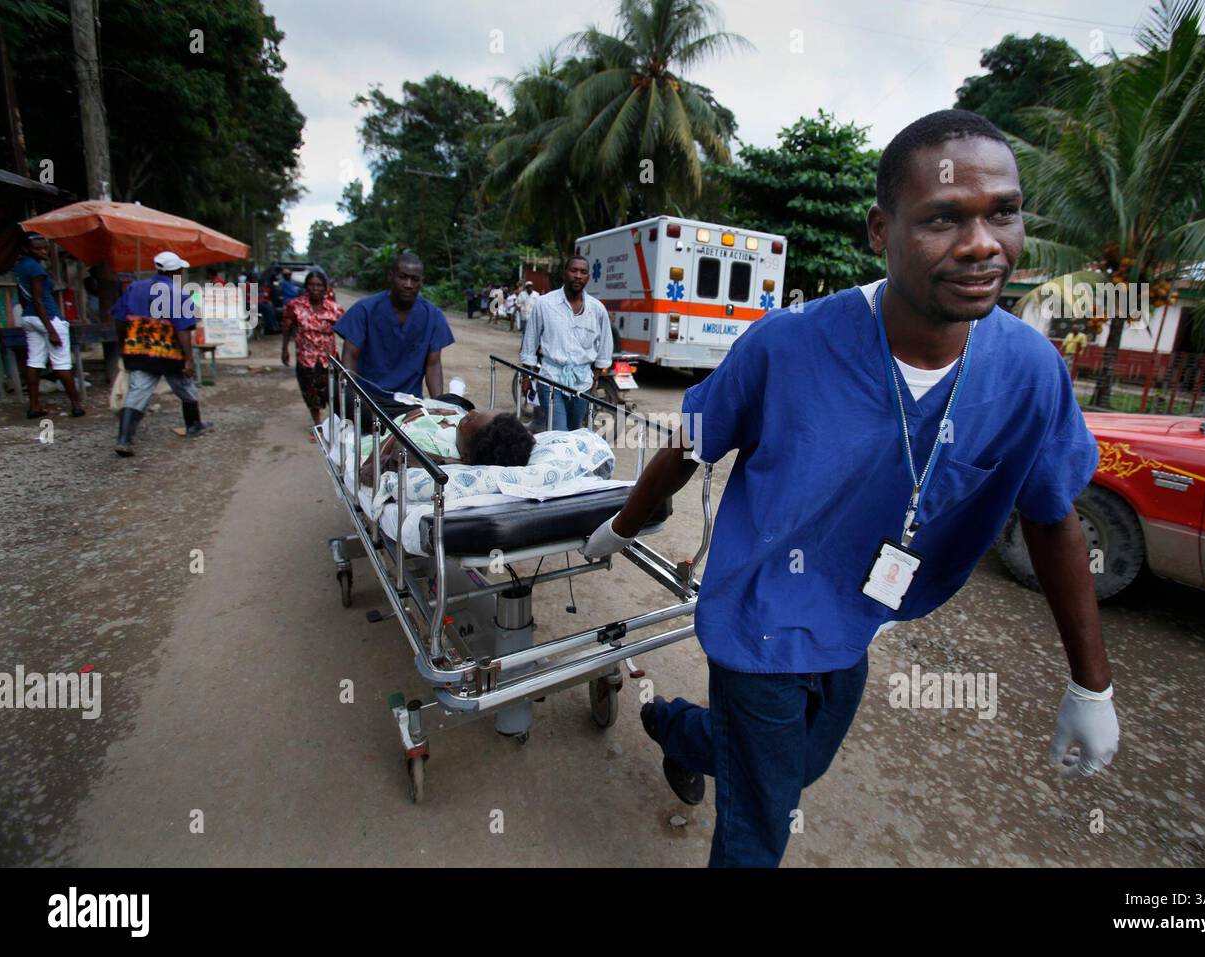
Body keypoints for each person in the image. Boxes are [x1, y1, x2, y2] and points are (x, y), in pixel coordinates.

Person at [582, 110, 1119, 868]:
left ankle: (676, 728)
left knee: (798, 764)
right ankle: (707, 747)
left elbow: (1052, 514)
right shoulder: (787, 343)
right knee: (758, 830)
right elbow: (690, 444)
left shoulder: (1030, 372)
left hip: (859, 618)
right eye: (942, 219)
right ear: (880, 230)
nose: (980, 244)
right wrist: (626, 524)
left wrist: (1090, 686)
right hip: (760, 613)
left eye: (1003, 211)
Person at [334, 252, 454, 425]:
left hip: (409, 404)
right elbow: (350, 356)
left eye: (415, 279)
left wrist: (439, 406)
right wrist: (350, 399)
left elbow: (433, 364)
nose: (408, 285)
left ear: (421, 281)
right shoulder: (364, 310)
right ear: (391, 276)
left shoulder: (433, 316)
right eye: (403, 277)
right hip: (369, 400)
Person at [111, 250, 210, 456]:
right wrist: (189, 359)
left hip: (137, 348)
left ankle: (124, 439)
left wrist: (124, 345)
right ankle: (193, 425)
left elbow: (119, 319)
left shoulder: (134, 287)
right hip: (169, 352)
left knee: (138, 391)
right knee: (185, 387)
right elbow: (182, 330)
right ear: (178, 271)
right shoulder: (179, 293)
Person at [519, 255, 612, 431]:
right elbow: (530, 343)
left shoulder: (597, 309)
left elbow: (605, 347)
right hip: (551, 378)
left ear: (588, 277)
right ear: (564, 274)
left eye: (583, 272)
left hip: (582, 382)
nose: (578, 275)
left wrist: (596, 376)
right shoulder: (545, 304)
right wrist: (526, 377)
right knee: (559, 431)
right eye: (573, 270)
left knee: (574, 430)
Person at [360, 401, 535, 483]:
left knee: (357, 400)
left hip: (393, 421)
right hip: (432, 407)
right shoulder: (473, 437)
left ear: (466, 456)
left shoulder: (425, 451)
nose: (472, 412)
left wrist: (417, 415)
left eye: (468, 420)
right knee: (455, 399)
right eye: (479, 412)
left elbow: (368, 471)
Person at [13, 231, 84, 418]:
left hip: (29, 318)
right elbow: (39, 300)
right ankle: (76, 405)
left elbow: (24, 297)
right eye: (38, 248)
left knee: (34, 361)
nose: (43, 251)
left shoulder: (20, 267)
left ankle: (34, 406)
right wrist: (51, 330)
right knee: (61, 363)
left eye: (44, 247)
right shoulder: (37, 270)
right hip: (48, 318)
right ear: (27, 249)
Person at [281, 268, 345, 435]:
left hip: (329, 359)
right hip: (306, 358)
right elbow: (287, 327)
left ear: (325, 288)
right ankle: (318, 426)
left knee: (334, 393)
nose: (315, 288)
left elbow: (347, 332)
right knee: (310, 393)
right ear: (306, 286)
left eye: (319, 285)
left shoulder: (335, 309)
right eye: (311, 285)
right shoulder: (295, 306)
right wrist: (284, 349)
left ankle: (337, 425)